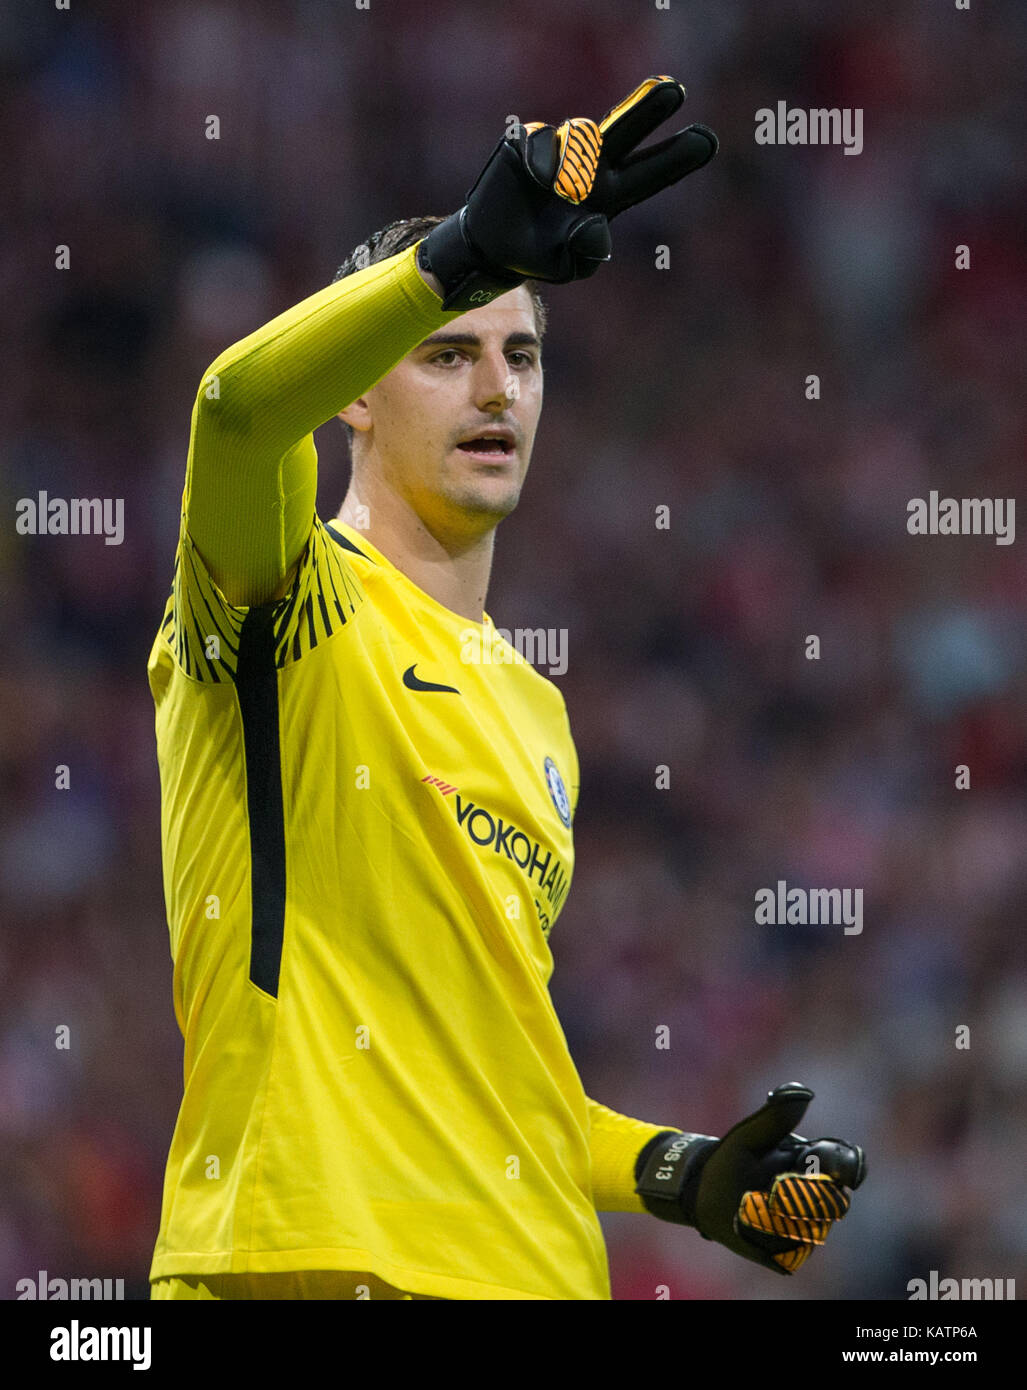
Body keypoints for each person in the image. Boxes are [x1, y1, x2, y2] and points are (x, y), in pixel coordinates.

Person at [147, 77, 864, 1301]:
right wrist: (455, 258)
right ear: (357, 394)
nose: (496, 390)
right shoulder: (292, 594)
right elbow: (236, 413)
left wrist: (682, 1173)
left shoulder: (538, 714)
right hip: (304, 1262)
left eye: (520, 354)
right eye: (447, 352)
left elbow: (496, 1077)